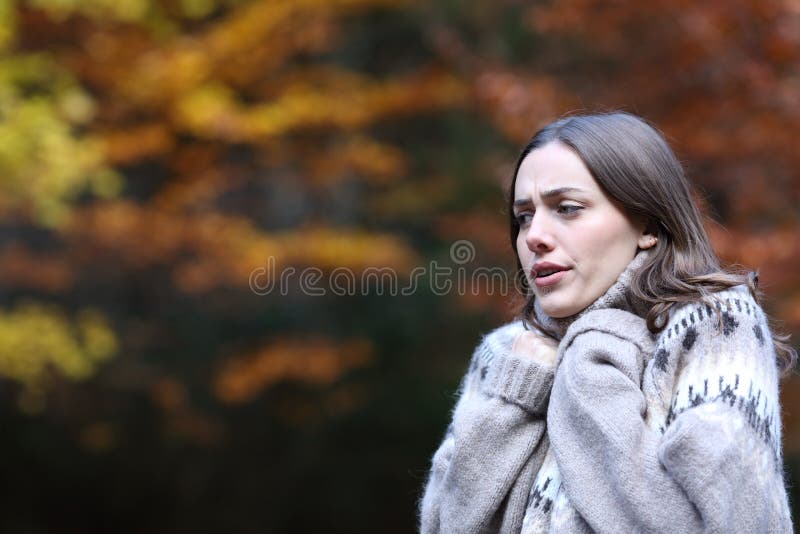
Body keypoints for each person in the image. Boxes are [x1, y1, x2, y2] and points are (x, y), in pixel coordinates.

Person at [417, 111, 797, 533]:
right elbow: (440, 525)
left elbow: (725, 524)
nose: (533, 236)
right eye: (524, 216)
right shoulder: (507, 355)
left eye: (567, 208)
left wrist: (591, 363)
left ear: (648, 224)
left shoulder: (716, 325)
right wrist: (514, 396)